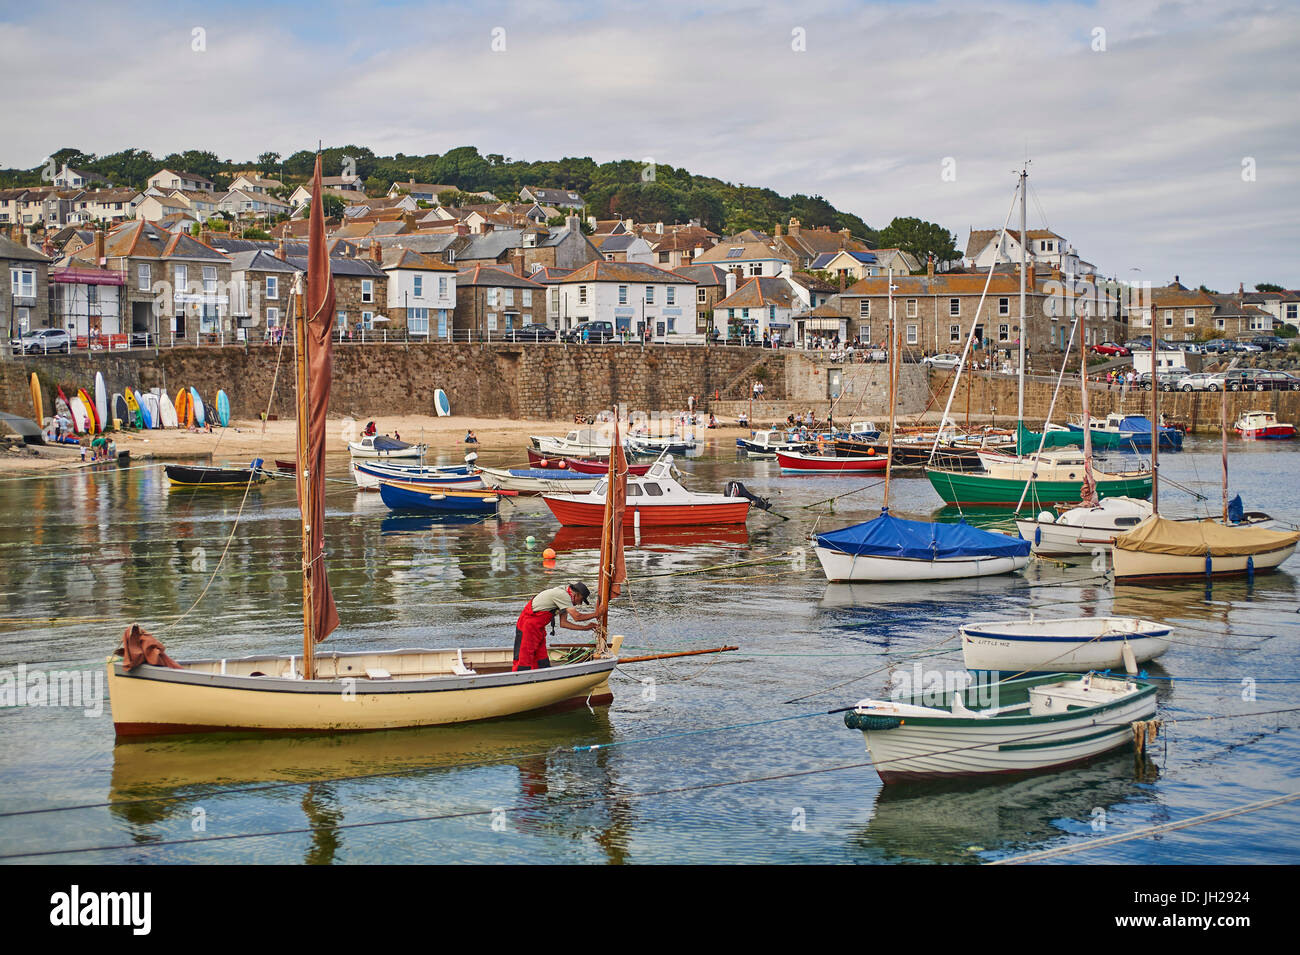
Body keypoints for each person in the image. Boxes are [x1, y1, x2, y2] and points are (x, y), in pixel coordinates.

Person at [513, 582, 597, 672]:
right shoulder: (563, 595)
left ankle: (544, 677)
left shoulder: (565, 598)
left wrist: (586, 627)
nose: (580, 603)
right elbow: (577, 617)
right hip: (528, 626)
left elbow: (564, 623)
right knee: (524, 658)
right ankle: (520, 679)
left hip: (538, 628)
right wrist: (597, 614)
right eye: (581, 600)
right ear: (577, 594)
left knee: (541, 658)